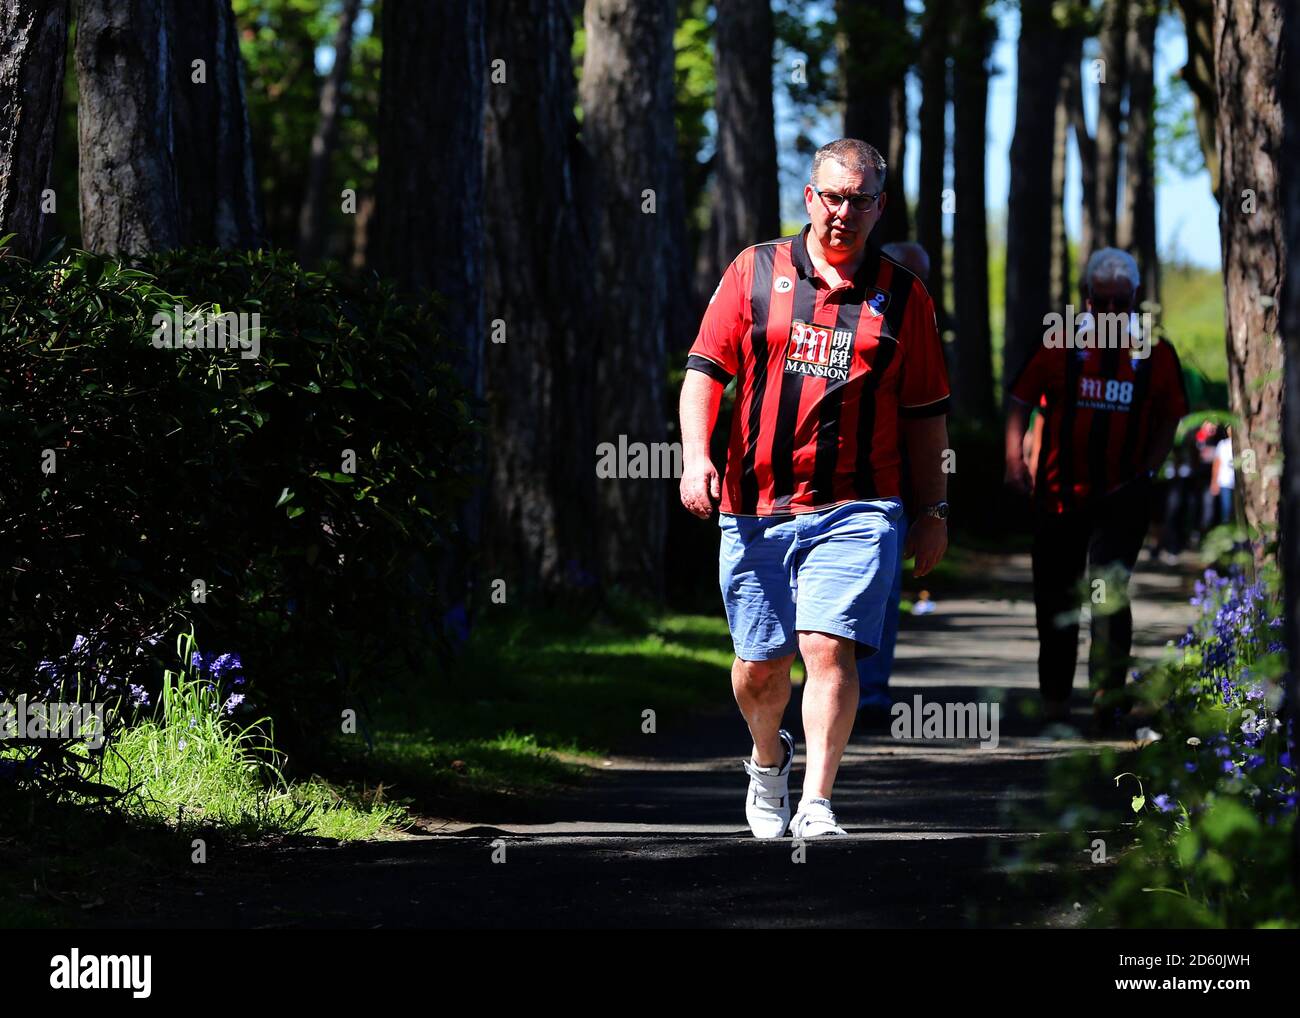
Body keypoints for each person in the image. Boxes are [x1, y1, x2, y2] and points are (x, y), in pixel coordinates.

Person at [679, 138, 951, 838]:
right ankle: (768, 762)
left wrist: (932, 510)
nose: (844, 212)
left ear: (879, 207)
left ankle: (818, 801)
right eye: (833, 196)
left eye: (861, 200)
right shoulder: (754, 271)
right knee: (759, 668)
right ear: (810, 198)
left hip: (860, 504)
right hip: (754, 503)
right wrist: (695, 457)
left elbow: (925, 415)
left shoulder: (904, 297)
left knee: (829, 646)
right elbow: (706, 371)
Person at [1004, 248, 1188, 731]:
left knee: (1109, 594)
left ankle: (1108, 694)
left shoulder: (1154, 351)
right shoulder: (1058, 344)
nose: (1109, 313)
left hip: (1121, 495)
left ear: (1134, 299)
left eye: (1118, 303)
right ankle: (1056, 698)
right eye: (1100, 302)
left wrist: (1149, 468)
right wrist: (1013, 459)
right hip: (1058, 495)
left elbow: (1172, 412)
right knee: (1056, 596)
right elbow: (1021, 397)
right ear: (1086, 300)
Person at [855, 241, 936, 723]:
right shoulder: (862, 316)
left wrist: (933, 507)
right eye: (910, 275)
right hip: (842, 481)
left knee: (883, 590)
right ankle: (830, 684)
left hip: (895, 489)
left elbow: (932, 415)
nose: (916, 285)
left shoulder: (923, 319)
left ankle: (872, 691)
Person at [1209, 426, 1235, 526]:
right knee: (1226, 509)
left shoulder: (1243, 444)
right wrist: (1214, 482)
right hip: (1225, 482)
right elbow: (1217, 464)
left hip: (1239, 483)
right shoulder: (1223, 444)